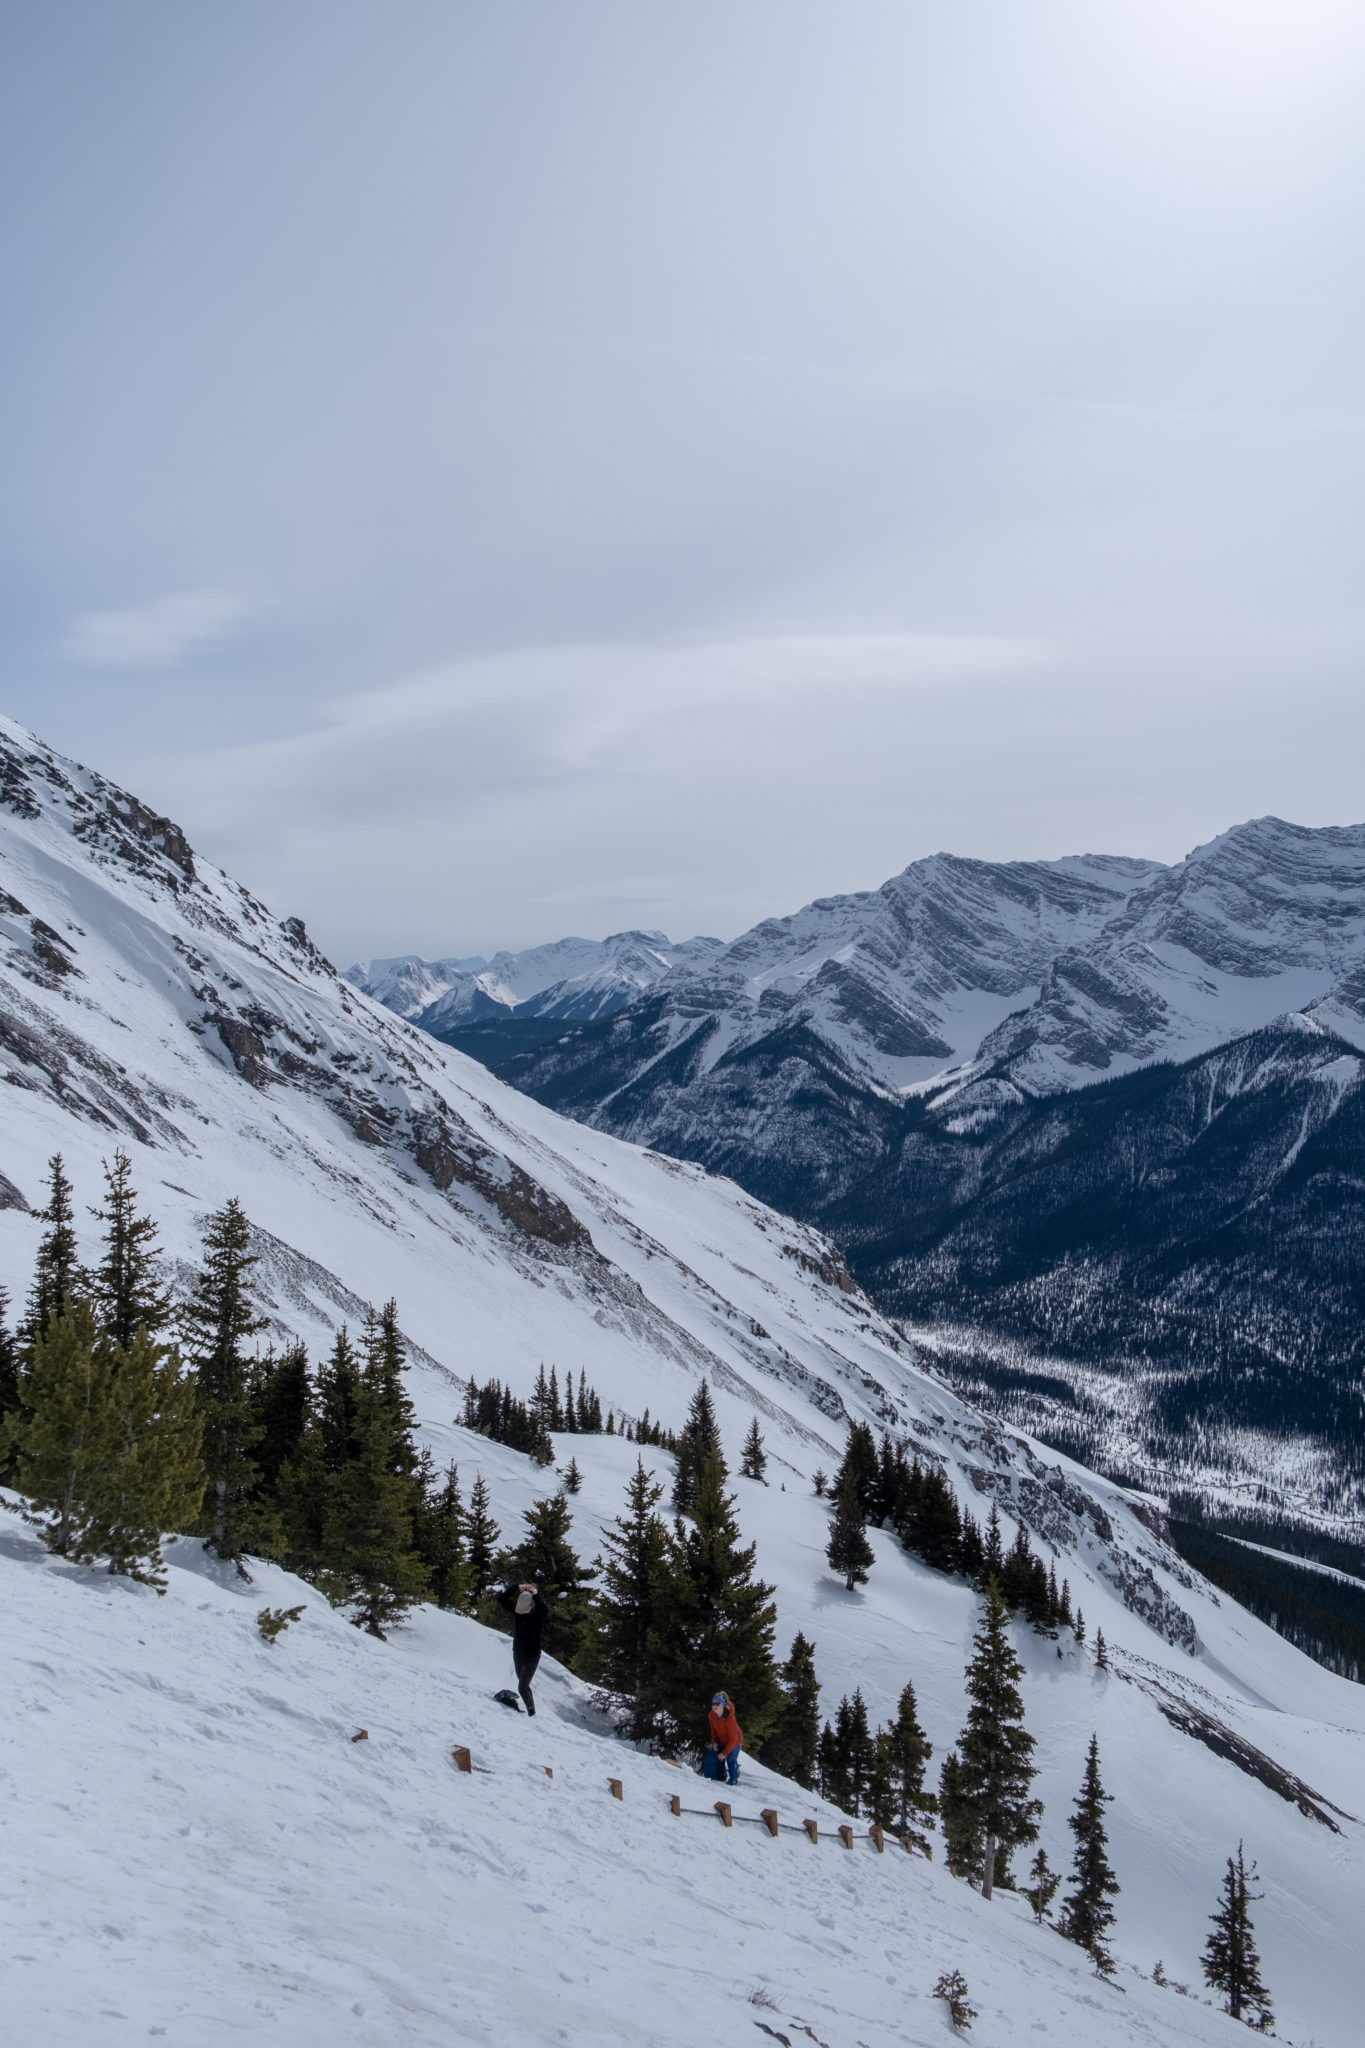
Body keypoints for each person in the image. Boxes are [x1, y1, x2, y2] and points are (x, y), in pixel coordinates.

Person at [496, 1579, 548, 1716]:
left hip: (532, 1656)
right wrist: (517, 1587)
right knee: (523, 1684)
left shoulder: (537, 1617)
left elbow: (544, 1610)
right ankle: (531, 1711)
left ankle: (532, 1715)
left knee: (522, 1687)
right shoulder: (517, 1613)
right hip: (518, 1652)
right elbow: (503, 1599)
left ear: (531, 1606)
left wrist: (535, 1594)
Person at [702, 1690, 744, 1786]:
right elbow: (713, 1730)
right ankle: (712, 1779)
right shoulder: (711, 1715)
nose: (714, 1706)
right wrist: (715, 1742)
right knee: (711, 1757)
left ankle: (734, 1778)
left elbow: (733, 1739)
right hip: (721, 1740)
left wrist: (725, 1753)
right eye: (713, 1703)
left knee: (730, 1760)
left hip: (735, 1742)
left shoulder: (730, 1719)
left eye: (717, 1703)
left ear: (723, 1705)